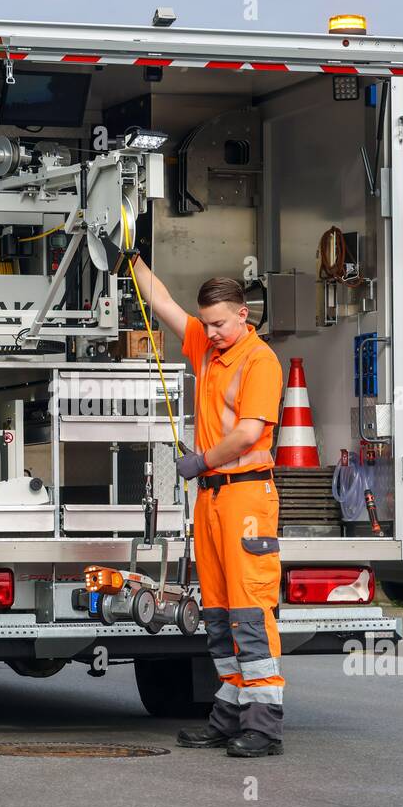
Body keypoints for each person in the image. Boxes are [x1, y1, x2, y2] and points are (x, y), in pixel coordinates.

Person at [130, 256, 286, 757]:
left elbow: (246, 433)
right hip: (214, 498)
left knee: (250, 612)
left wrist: (198, 462)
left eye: (221, 323)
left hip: (245, 495)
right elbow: (162, 303)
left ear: (245, 314)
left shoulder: (260, 361)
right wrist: (130, 256)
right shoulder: (207, 346)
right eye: (209, 323)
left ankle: (264, 726)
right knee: (217, 613)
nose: (212, 332)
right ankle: (229, 715)